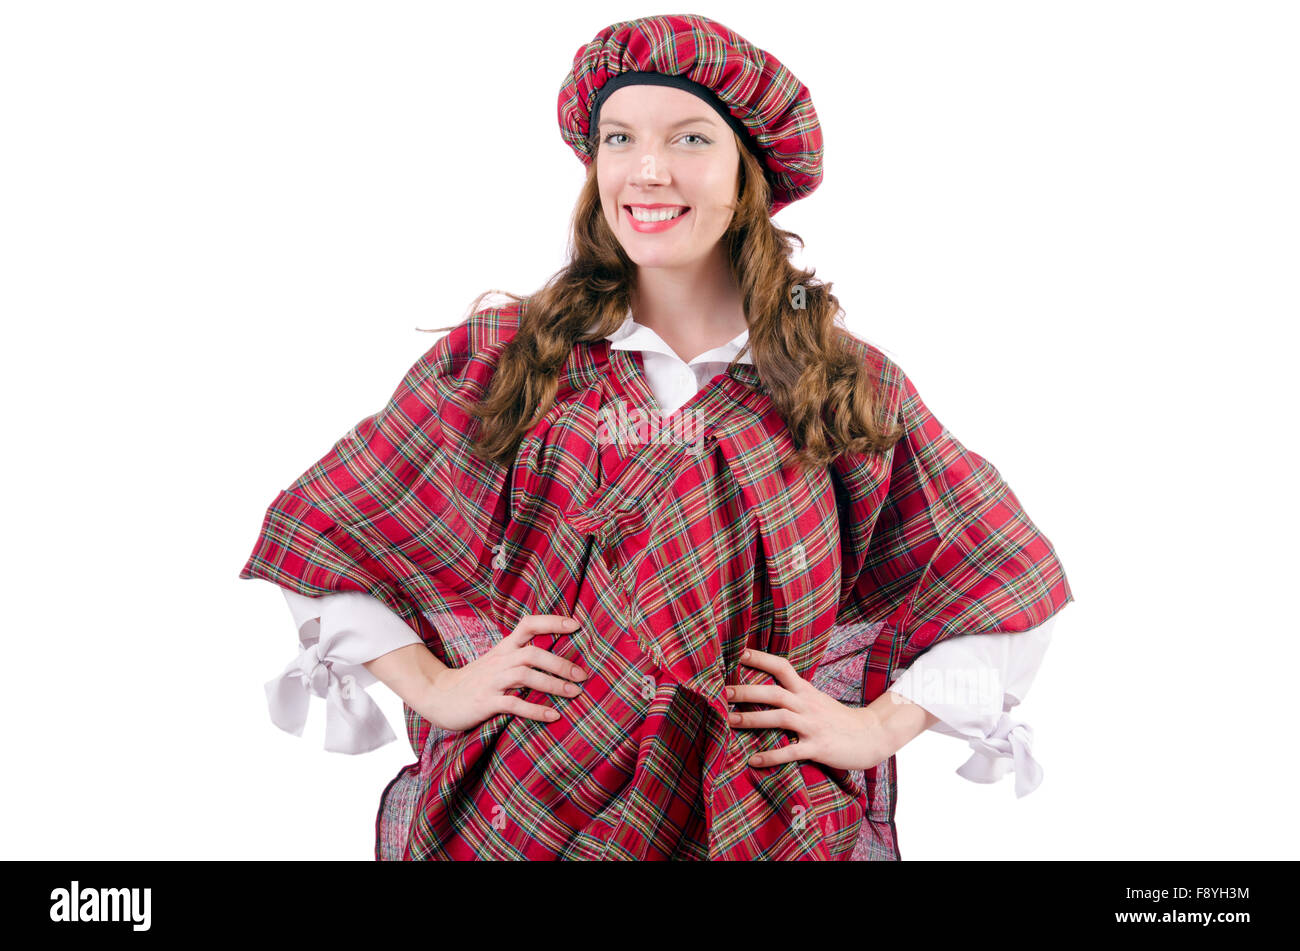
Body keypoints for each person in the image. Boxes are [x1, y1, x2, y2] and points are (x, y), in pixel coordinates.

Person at [239, 14, 1073, 860]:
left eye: (689, 138)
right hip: (526, 818)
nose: (645, 169)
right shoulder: (508, 358)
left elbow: (1004, 576)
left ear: (749, 171)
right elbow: (325, 530)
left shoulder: (840, 384)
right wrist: (437, 687)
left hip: (762, 825)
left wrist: (874, 728)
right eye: (619, 137)